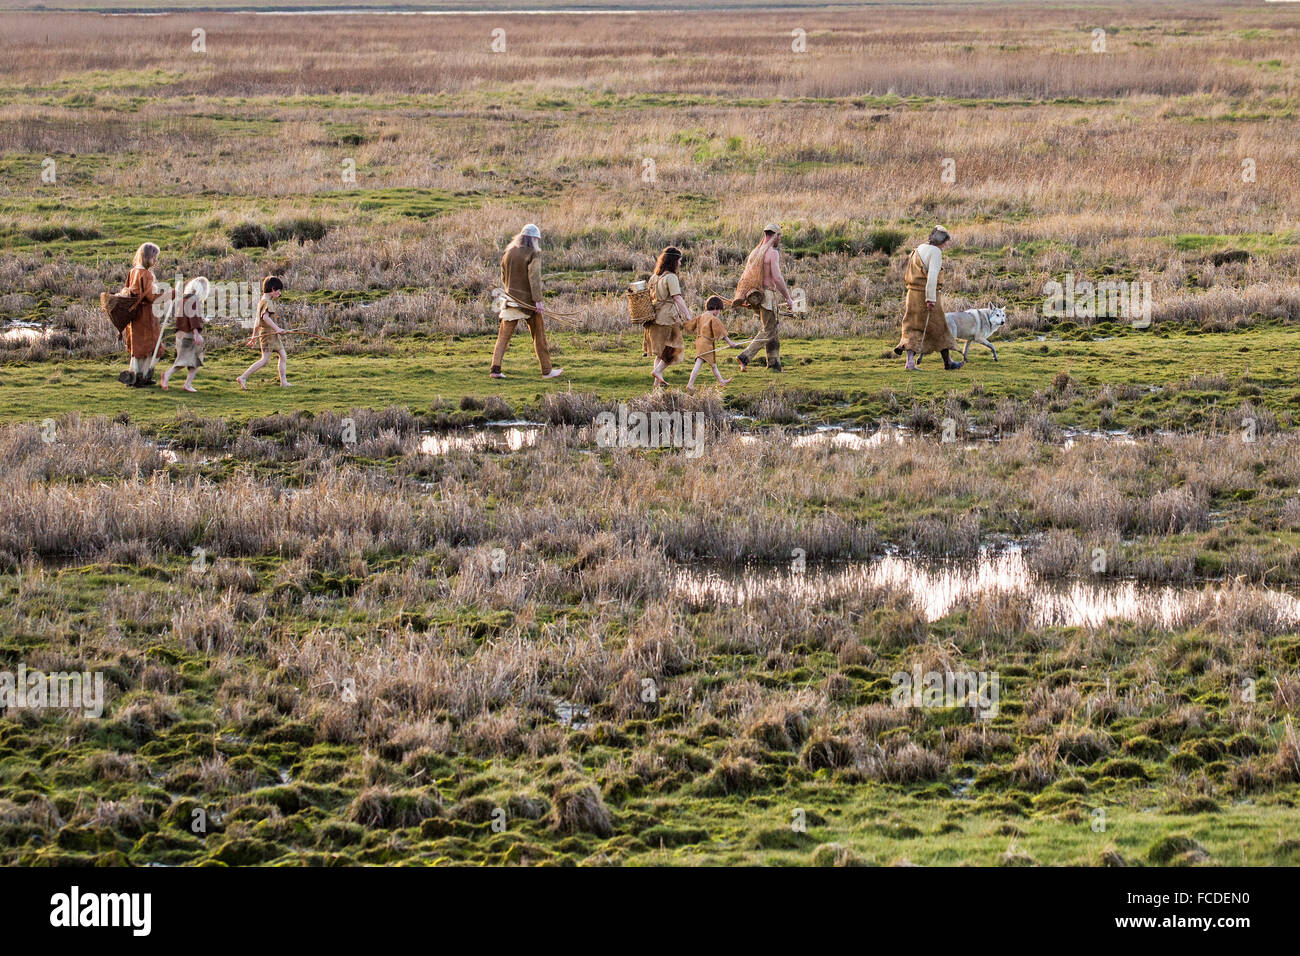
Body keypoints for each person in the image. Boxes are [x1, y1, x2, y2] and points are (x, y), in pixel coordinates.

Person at [490, 224, 562, 379]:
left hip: (510, 300)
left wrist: (511, 292)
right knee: (539, 335)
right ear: (533, 239)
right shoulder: (533, 253)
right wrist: (538, 301)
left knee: (503, 337)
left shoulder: (508, 253)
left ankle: (495, 370)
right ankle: (547, 371)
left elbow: (503, 277)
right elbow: (534, 279)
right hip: (528, 303)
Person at [894, 226, 963, 371]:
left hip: (912, 294)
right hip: (925, 295)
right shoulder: (935, 252)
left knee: (912, 327)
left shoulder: (920, 248)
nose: (946, 245)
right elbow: (932, 277)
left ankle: (910, 362)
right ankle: (948, 363)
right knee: (940, 327)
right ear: (941, 241)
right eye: (946, 242)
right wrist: (930, 299)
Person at [734, 223, 792, 373]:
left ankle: (774, 365)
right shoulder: (772, 253)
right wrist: (788, 298)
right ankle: (744, 357)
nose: (780, 239)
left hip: (756, 297)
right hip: (767, 296)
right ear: (775, 236)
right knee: (769, 330)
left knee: (773, 330)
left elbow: (747, 276)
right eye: (780, 236)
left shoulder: (755, 252)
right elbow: (778, 278)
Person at [117, 242, 172, 387]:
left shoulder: (133, 271)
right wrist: (169, 295)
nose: (156, 261)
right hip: (146, 316)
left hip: (135, 316)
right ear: (147, 257)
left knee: (138, 346)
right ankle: (142, 376)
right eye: (155, 257)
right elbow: (151, 298)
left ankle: (135, 375)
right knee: (151, 346)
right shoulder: (146, 274)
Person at [237, 276, 292, 389]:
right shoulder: (268, 302)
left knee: (283, 355)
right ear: (272, 289)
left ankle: (284, 382)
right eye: (278, 290)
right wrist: (278, 329)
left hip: (272, 335)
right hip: (268, 336)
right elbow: (266, 318)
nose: (280, 293)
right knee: (265, 360)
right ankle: (243, 377)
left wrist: (254, 336)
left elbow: (257, 322)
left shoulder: (262, 301)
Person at [646, 246, 689, 388]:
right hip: (667, 318)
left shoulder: (654, 277)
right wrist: (687, 315)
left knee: (660, 353)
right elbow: (677, 298)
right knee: (674, 348)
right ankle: (657, 371)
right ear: (673, 261)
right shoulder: (671, 277)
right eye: (679, 261)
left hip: (654, 318)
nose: (680, 264)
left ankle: (656, 388)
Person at [161, 277, 210, 393]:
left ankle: (187, 384)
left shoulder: (183, 299)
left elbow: (185, 316)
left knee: (194, 361)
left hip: (180, 333)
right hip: (188, 334)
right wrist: (196, 333)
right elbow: (192, 318)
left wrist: (202, 319)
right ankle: (167, 375)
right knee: (185, 361)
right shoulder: (194, 300)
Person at [684, 295, 737, 393]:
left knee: (713, 365)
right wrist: (730, 343)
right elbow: (722, 332)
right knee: (699, 364)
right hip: (706, 344)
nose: (719, 312)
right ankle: (690, 384)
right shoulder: (713, 319)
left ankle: (721, 381)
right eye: (719, 310)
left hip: (699, 342)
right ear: (716, 309)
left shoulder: (701, 316)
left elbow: (690, 325)